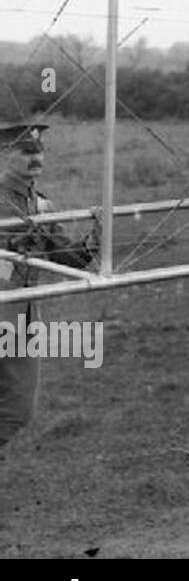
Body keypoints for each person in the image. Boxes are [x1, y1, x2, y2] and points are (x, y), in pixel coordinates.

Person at [1, 123, 100, 447]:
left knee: (18, 409)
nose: (36, 159)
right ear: (5, 154)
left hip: (21, 317)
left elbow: (65, 258)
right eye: (26, 152)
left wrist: (94, 241)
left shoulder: (42, 206)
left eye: (39, 151)